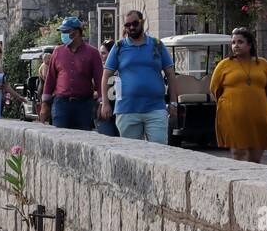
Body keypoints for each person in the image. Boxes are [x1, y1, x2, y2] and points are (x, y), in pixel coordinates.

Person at [100, 10, 177, 144]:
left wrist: (173, 102)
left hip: (155, 109)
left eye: (135, 23)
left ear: (142, 22)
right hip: (127, 109)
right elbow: (106, 76)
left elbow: (170, 74)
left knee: (160, 151)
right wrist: (105, 103)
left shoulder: (157, 45)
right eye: (127, 25)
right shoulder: (119, 47)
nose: (131, 27)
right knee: (132, 154)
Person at [210, 27, 267, 163]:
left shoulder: (262, 64)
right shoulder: (224, 65)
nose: (236, 46)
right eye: (233, 42)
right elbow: (214, 89)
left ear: (250, 45)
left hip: (259, 115)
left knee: (255, 158)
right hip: (233, 115)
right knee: (238, 153)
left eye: (240, 42)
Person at [41, 18, 104, 131]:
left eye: (66, 32)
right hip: (61, 104)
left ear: (76, 32)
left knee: (83, 140)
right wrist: (45, 104)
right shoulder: (58, 52)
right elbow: (50, 79)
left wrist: (101, 103)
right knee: (59, 137)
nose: (63, 35)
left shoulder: (92, 53)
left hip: (84, 105)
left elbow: (100, 80)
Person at [94, 42, 119, 137]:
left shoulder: (122, 69)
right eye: (100, 53)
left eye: (103, 53)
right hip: (103, 114)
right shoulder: (97, 69)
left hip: (121, 112)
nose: (100, 56)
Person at [36, 48, 55, 123]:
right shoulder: (45, 66)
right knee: (46, 107)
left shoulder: (47, 65)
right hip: (44, 89)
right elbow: (47, 79)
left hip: (43, 89)